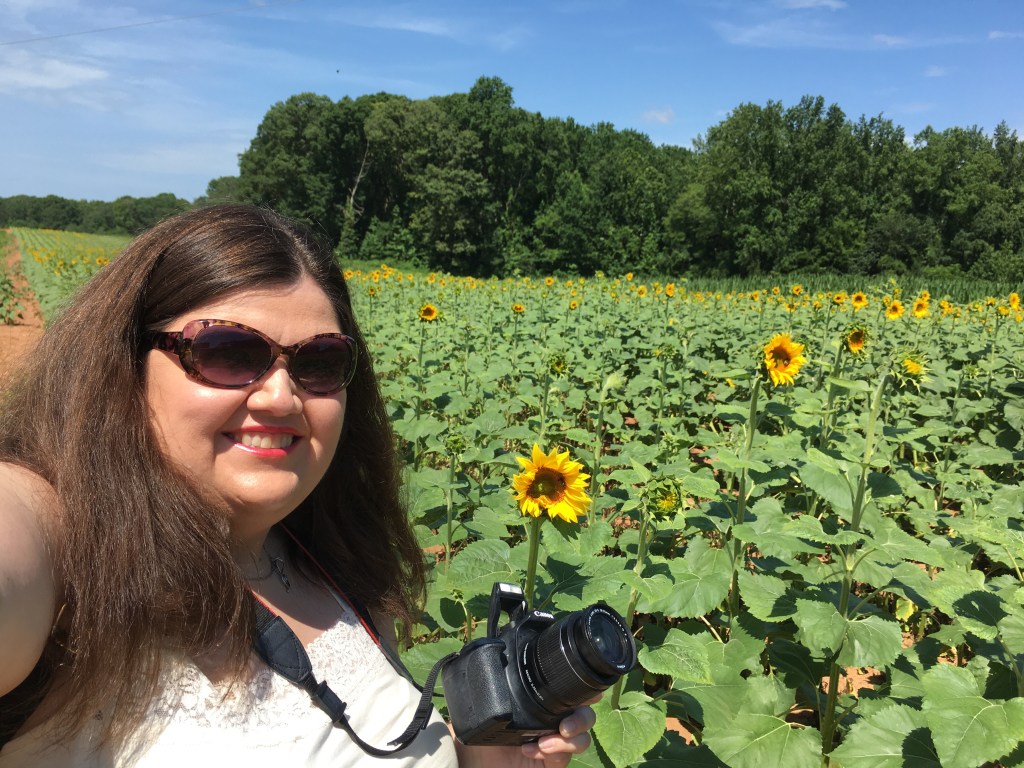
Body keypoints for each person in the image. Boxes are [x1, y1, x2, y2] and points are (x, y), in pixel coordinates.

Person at [0, 204, 597, 766]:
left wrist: (483, 758)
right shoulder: (64, 544)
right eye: (227, 351)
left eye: (319, 363)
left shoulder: (340, 568)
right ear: (125, 365)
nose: (281, 397)